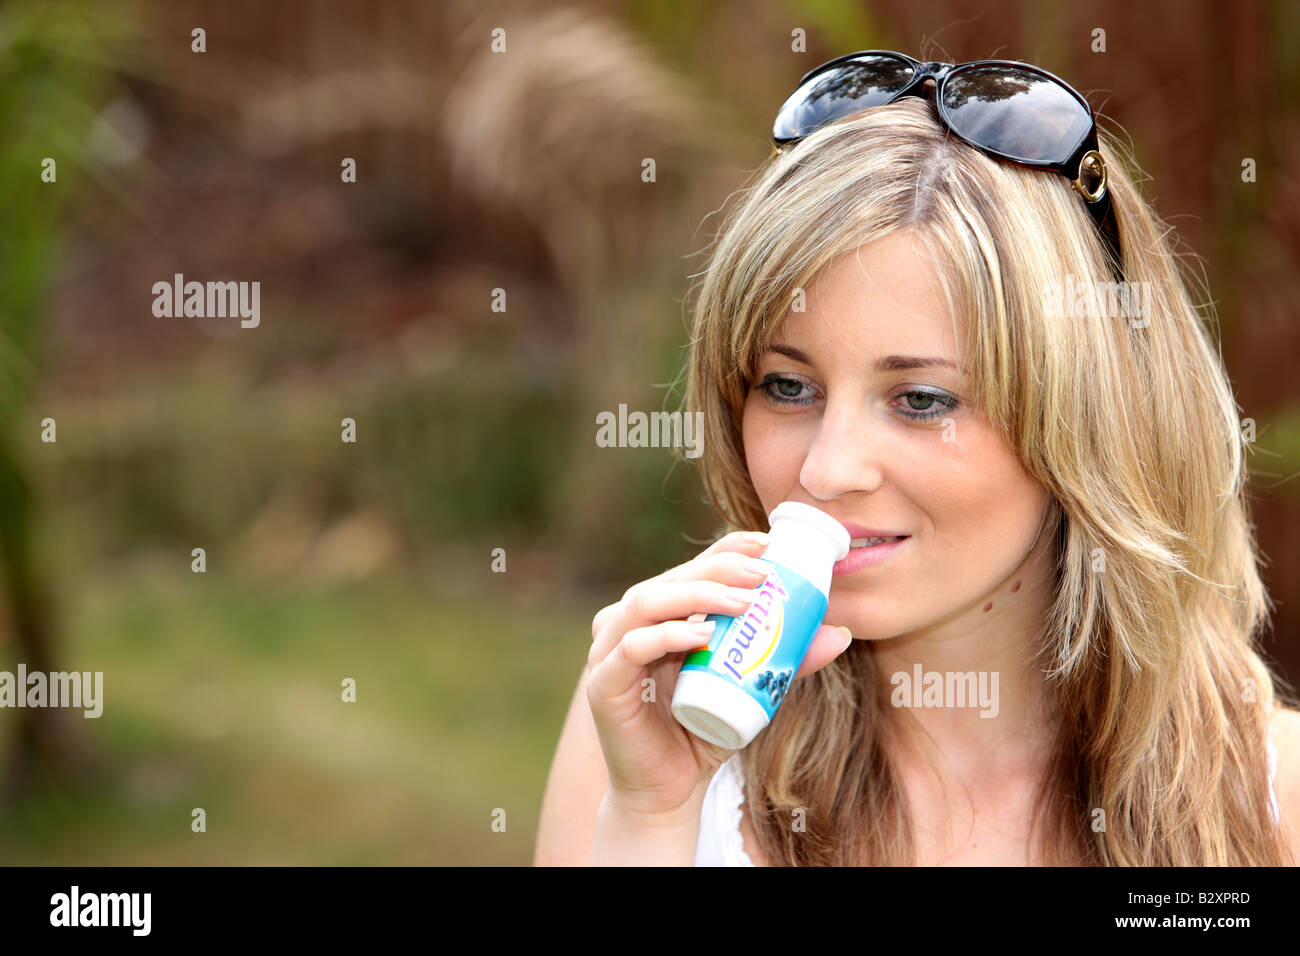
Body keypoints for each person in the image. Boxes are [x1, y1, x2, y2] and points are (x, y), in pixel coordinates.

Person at [536, 50, 1300, 866]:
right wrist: (651, 818)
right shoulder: (647, 732)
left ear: (1088, 419)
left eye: (922, 400)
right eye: (788, 387)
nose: (828, 471)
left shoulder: (1272, 799)